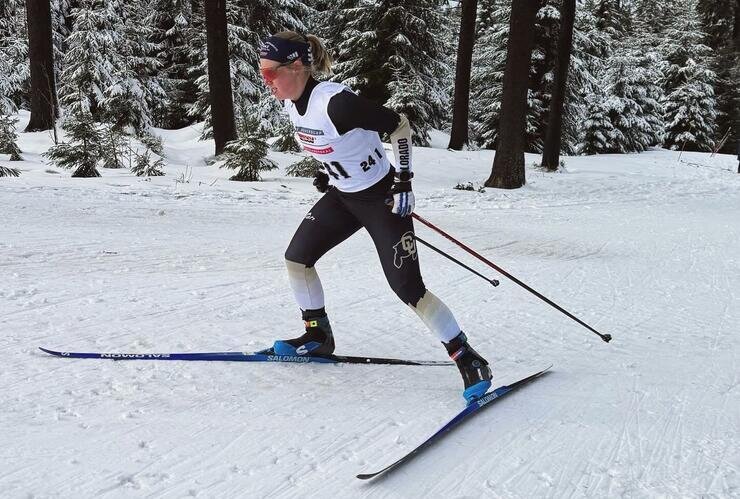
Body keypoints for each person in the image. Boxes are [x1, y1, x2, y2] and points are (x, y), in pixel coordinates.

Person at [258, 31, 492, 403]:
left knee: (408, 288)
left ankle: (468, 357)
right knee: (297, 259)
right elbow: (333, 144)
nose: (266, 82)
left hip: (382, 199)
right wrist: (330, 170)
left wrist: (403, 182)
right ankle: (318, 336)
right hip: (344, 197)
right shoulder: (291, 102)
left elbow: (398, 125)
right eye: (262, 73)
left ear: (298, 66)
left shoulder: (336, 102)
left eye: (271, 74)